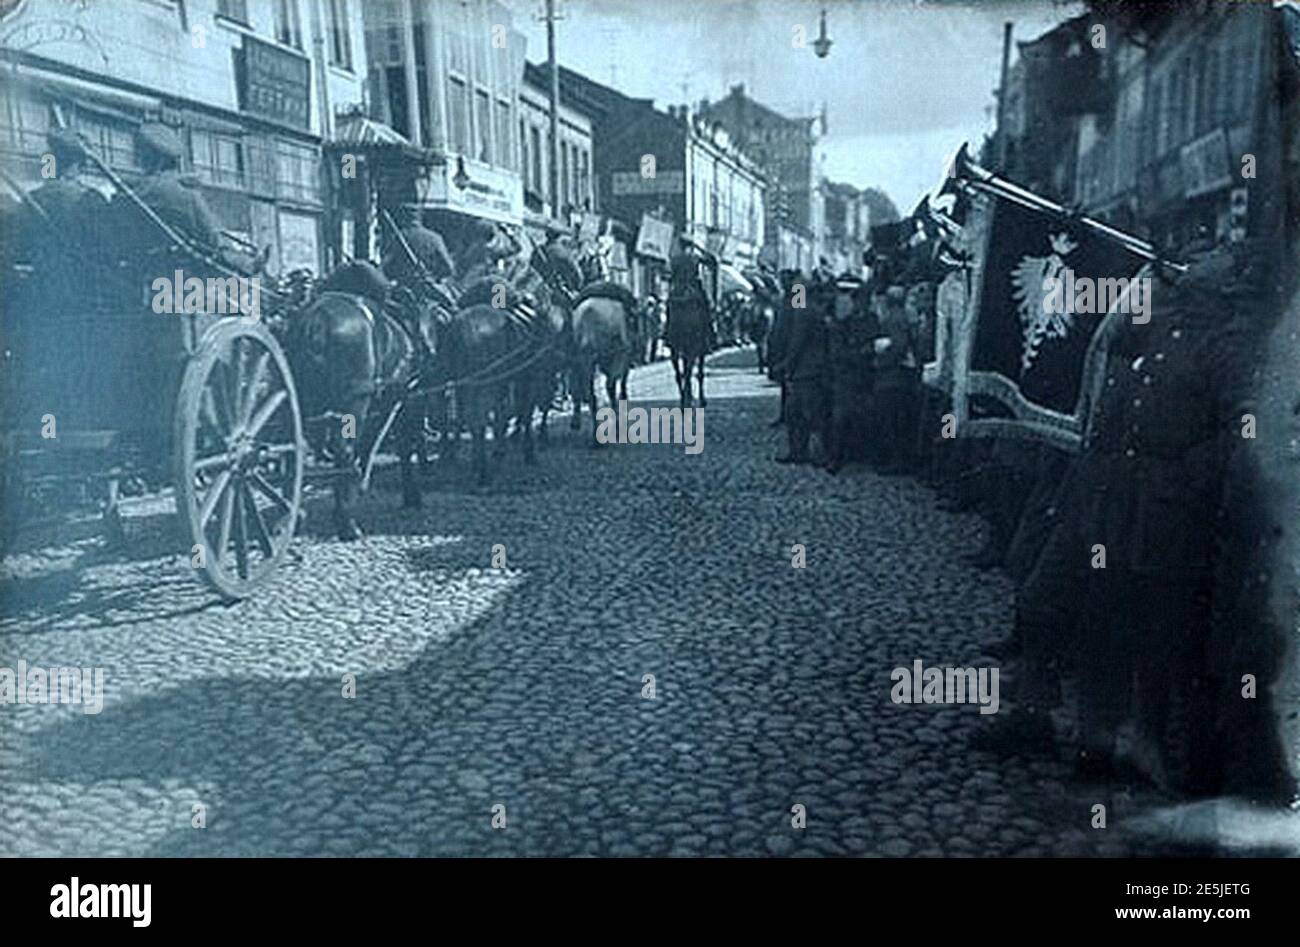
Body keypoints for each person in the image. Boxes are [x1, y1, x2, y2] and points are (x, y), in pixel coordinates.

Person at [823, 274, 878, 475]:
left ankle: (865, 456)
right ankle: (835, 458)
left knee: (866, 418)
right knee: (840, 419)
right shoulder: (845, 323)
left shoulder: (872, 321)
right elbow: (838, 352)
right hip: (847, 377)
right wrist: (860, 353)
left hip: (865, 377)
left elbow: (877, 344)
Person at [773, 270, 830, 465]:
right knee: (797, 411)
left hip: (806, 369)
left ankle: (813, 453)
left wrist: (787, 363)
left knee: (804, 412)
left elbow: (797, 339)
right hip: (809, 367)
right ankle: (800, 451)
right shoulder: (809, 308)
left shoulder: (803, 311)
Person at [871, 285, 919, 474]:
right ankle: (897, 459)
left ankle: (897, 461)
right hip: (896, 376)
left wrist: (879, 362)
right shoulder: (901, 317)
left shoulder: (894, 319)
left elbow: (898, 347)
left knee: (892, 420)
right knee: (895, 420)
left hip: (893, 377)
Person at [382, 205, 455, 288]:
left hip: (403, 288)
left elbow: (385, 265)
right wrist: (435, 278)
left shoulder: (398, 236)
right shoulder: (435, 238)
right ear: (420, 217)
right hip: (427, 288)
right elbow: (449, 268)